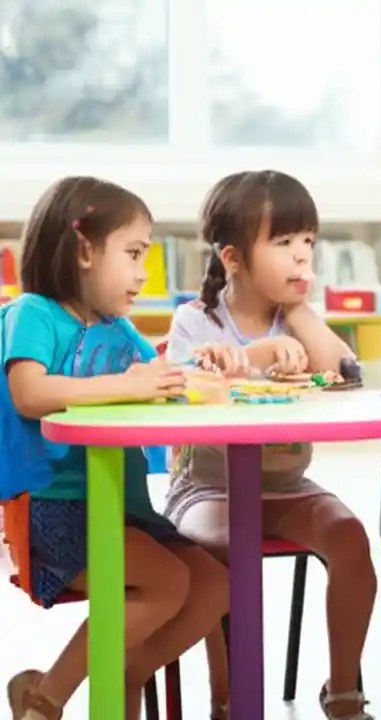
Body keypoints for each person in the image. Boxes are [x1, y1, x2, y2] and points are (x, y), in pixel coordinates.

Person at [2, 177, 229, 720]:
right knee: (170, 580)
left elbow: (160, 376)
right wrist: (129, 385)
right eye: (132, 253)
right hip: (53, 509)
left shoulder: (117, 328)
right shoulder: (34, 313)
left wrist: (209, 369)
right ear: (83, 250)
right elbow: (30, 393)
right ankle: (49, 699)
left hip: (122, 507)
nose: (142, 273)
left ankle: (121, 675)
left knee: (215, 584)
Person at [163, 171, 374, 720]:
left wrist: (301, 312)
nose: (302, 256)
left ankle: (344, 690)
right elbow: (181, 385)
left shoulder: (297, 321)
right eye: (283, 243)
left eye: (308, 241)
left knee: (350, 538)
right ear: (233, 258)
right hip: (209, 487)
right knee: (218, 549)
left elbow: (346, 377)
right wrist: (257, 356)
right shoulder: (198, 320)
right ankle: (229, 697)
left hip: (286, 487)